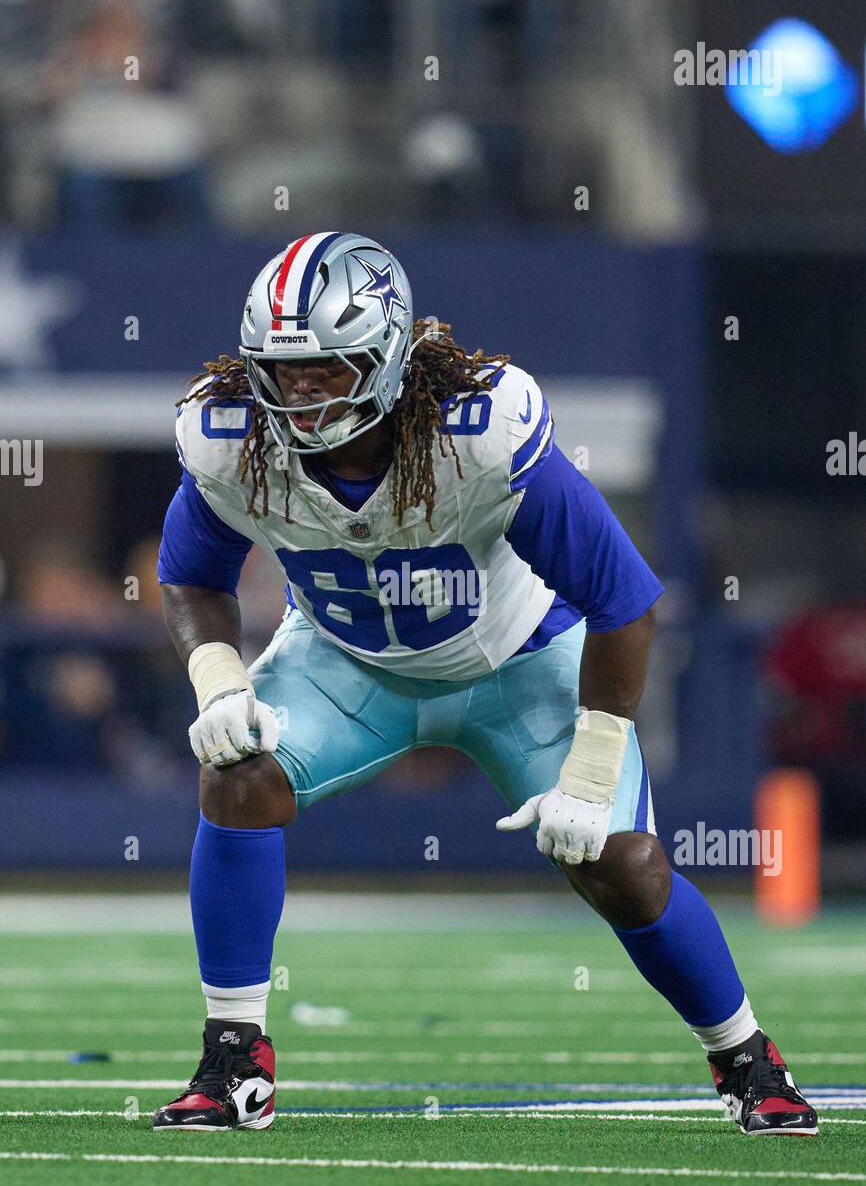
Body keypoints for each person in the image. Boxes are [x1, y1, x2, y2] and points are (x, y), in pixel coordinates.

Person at [154, 232, 817, 1136]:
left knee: (620, 863)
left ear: (386, 357)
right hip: (351, 664)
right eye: (283, 371)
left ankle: (747, 1059)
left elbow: (624, 600)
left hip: (519, 664)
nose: (300, 395)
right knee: (238, 771)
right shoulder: (231, 438)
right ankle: (233, 1061)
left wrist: (591, 763)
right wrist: (219, 676)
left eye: (327, 369)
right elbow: (192, 574)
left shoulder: (479, 431)